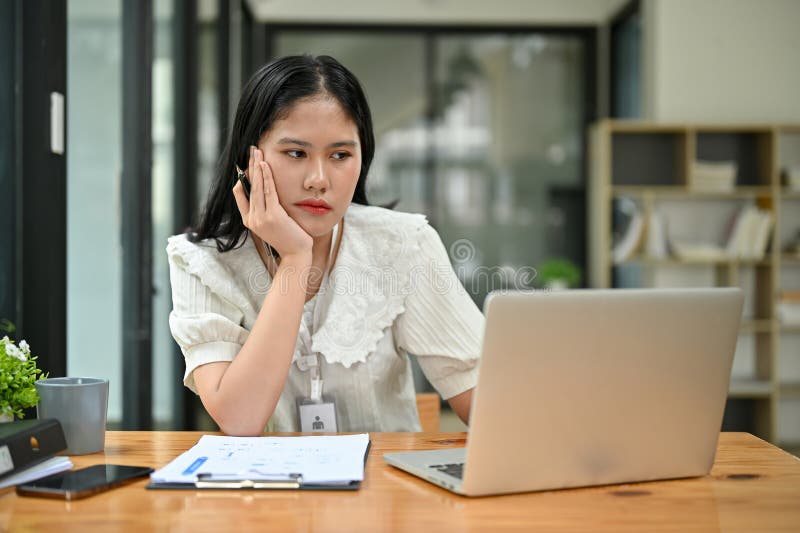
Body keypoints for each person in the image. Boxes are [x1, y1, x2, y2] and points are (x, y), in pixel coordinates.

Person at [167, 55, 483, 436]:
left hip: (382, 476)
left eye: (340, 155)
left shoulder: (404, 245)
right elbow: (239, 418)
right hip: (266, 478)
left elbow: (488, 400)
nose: (318, 179)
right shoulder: (200, 262)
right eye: (296, 153)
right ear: (248, 161)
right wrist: (295, 258)